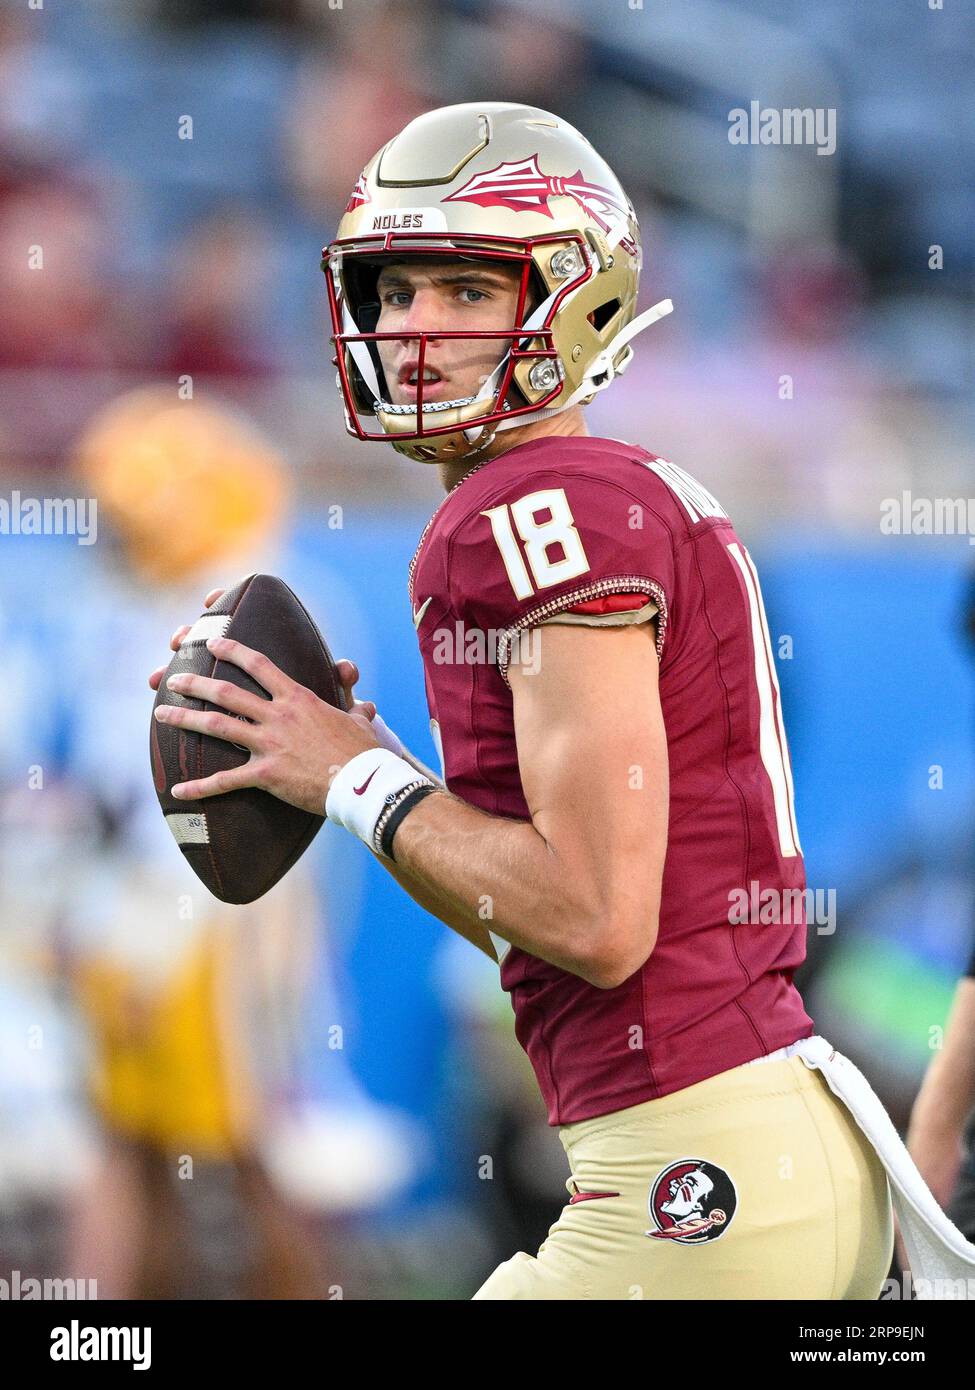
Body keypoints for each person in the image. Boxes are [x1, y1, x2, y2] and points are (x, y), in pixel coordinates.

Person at [148, 103, 968, 1299]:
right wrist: (387, 789)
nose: (415, 326)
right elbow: (566, 929)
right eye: (395, 288)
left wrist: (354, 778)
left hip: (693, 1177)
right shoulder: (604, 488)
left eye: (467, 291)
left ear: (573, 300)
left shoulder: (529, 512)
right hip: (760, 1151)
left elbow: (594, 916)